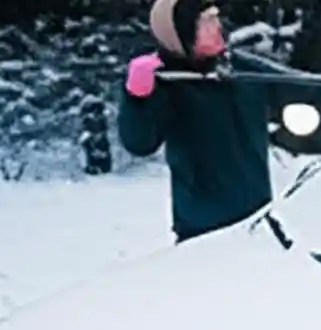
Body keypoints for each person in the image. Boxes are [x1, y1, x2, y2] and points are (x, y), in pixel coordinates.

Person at [118, 0, 282, 243]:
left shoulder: (242, 69)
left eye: (216, 17)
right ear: (181, 35)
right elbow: (140, 143)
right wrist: (137, 99)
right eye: (205, 22)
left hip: (260, 224)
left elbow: (303, 88)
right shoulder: (168, 83)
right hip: (202, 232)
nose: (217, 26)